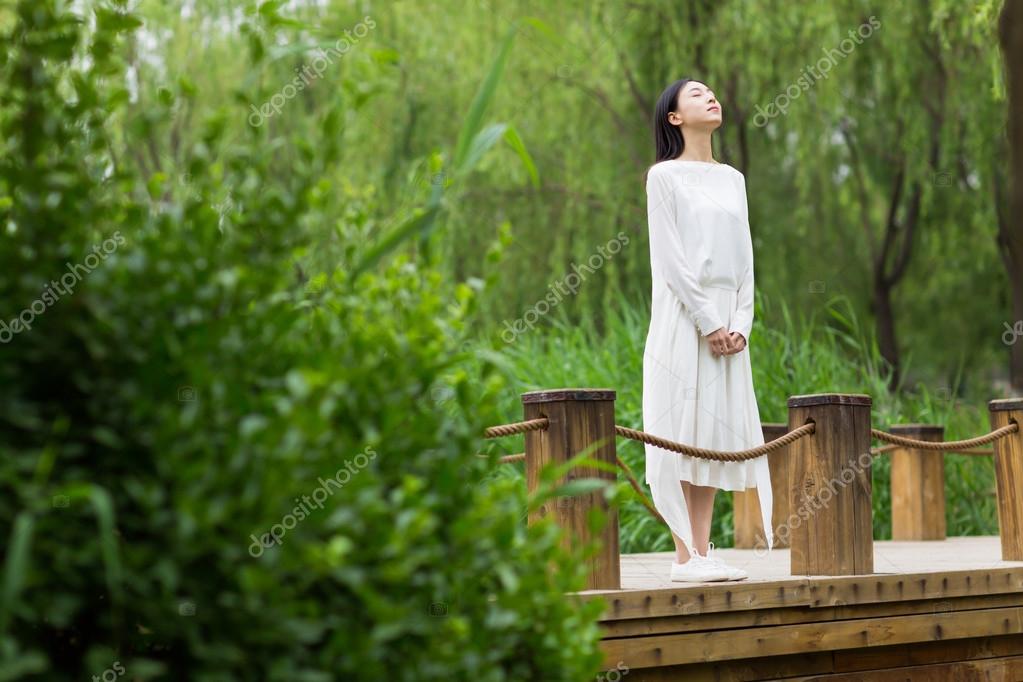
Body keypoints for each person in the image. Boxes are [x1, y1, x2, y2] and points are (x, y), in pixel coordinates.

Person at [641, 77, 773, 583]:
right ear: (674, 117)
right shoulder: (664, 177)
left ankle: (703, 549)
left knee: (711, 433)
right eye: (695, 94)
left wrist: (741, 324)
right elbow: (671, 261)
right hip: (683, 317)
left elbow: (745, 260)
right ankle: (683, 557)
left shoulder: (734, 178)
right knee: (680, 430)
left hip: (727, 322)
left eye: (712, 91)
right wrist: (708, 321)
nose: (711, 96)